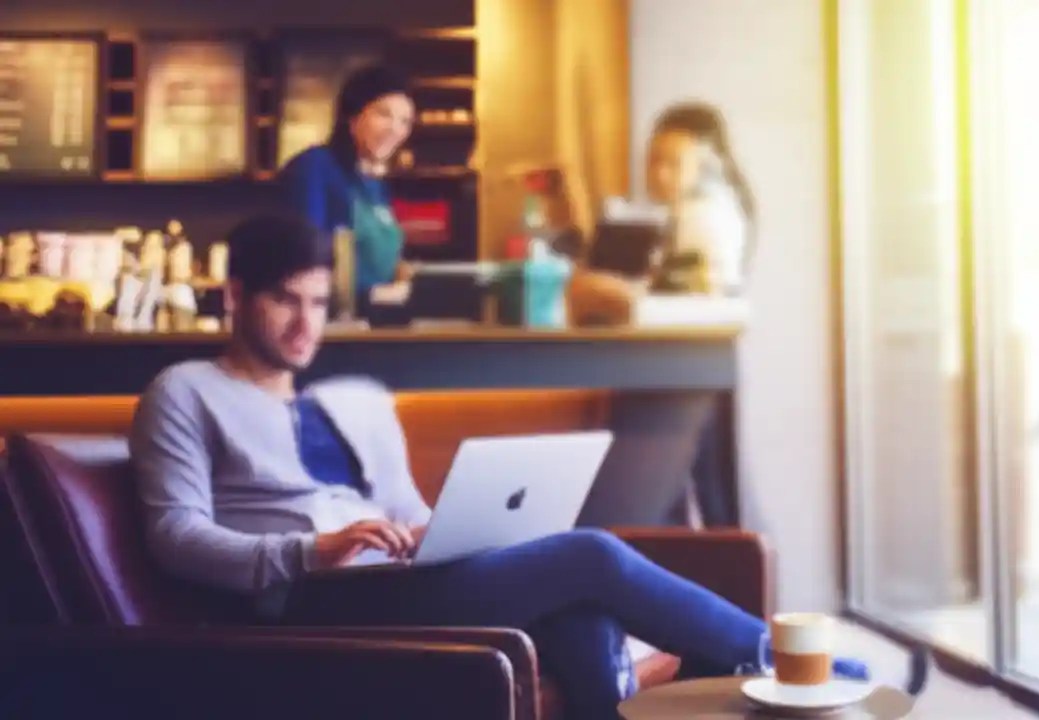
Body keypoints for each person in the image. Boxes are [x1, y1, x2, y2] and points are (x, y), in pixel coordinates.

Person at [129, 214, 927, 720]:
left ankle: (692, 682)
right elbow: (174, 536)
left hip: (389, 580)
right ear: (234, 297)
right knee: (588, 555)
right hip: (303, 603)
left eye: (316, 302)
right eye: (283, 302)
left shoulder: (356, 399)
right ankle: (780, 663)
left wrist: (437, 531)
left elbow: (406, 505)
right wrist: (314, 551)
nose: (306, 324)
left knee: (576, 601)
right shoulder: (185, 391)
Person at [567, 100, 755, 324]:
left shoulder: (707, 218)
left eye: (673, 163)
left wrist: (626, 301)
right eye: (653, 161)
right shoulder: (668, 217)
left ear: (704, 167)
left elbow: (708, 308)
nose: (659, 175)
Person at [276, 64, 415, 309]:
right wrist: (369, 295)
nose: (395, 129)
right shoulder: (314, 168)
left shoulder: (376, 185)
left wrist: (403, 274)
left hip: (377, 324)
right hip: (329, 325)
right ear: (352, 117)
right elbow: (305, 258)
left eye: (405, 121)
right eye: (384, 114)